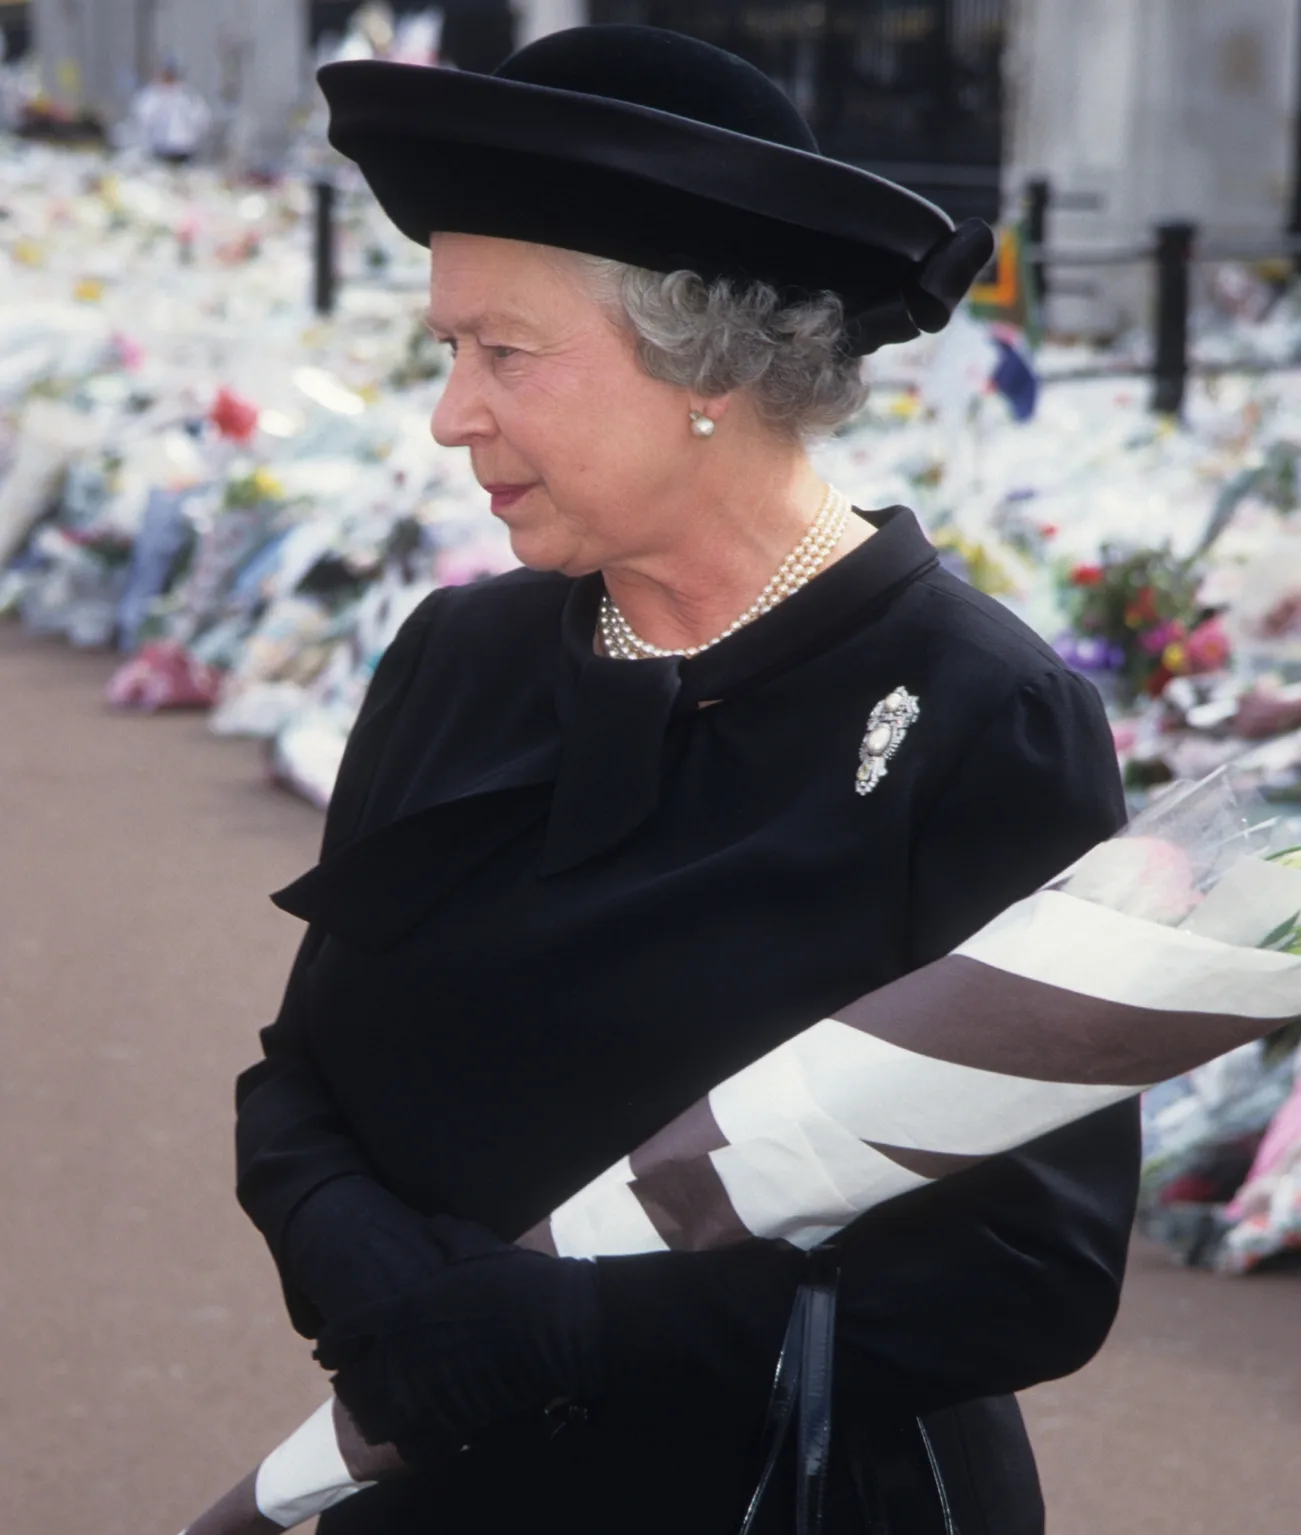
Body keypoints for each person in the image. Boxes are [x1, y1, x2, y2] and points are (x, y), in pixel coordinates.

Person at [233, 25, 1139, 1535]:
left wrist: (576, 1333)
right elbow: (298, 1072)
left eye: (504, 352)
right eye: (448, 350)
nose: (451, 414)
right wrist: (359, 1258)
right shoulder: (456, 655)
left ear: (706, 362)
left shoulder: (988, 715)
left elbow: (1029, 1269)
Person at [130, 60, 211, 165]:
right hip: (158, 148)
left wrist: (193, 138)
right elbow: (142, 117)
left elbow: (202, 119)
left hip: (184, 149)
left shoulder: (187, 95)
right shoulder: (151, 95)